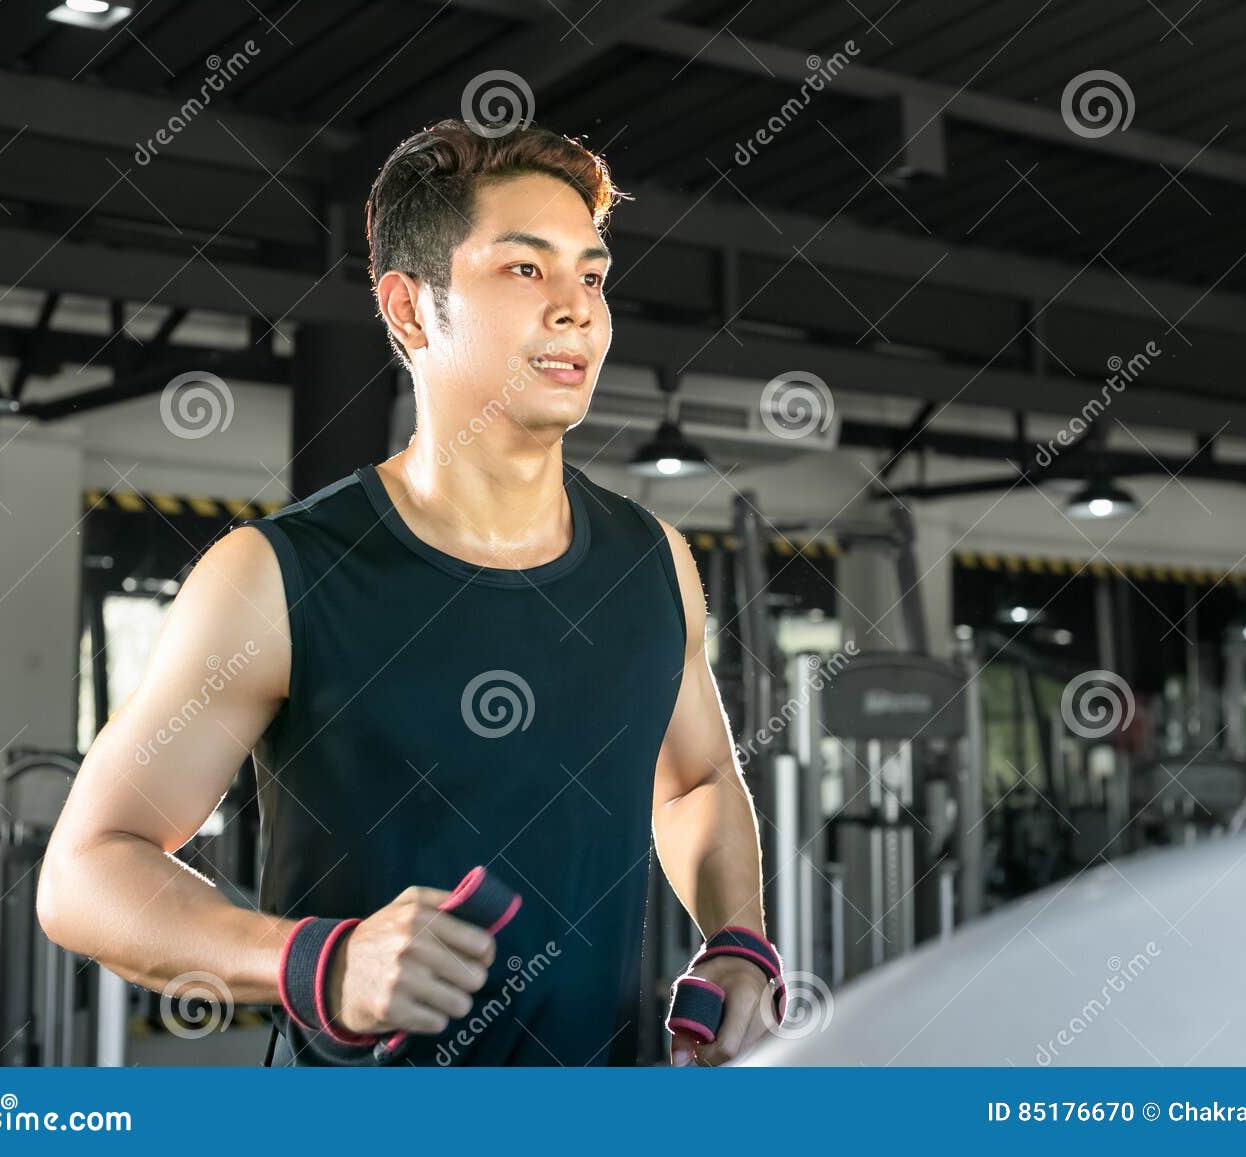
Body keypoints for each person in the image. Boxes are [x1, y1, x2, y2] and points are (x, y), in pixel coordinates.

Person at [38, 118, 778, 1067]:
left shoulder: (651, 560)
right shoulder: (276, 575)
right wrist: (318, 959)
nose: (577, 309)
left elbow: (699, 782)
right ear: (410, 309)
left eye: (591, 275)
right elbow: (86, 870)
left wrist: (737, 942)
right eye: (524, 270)